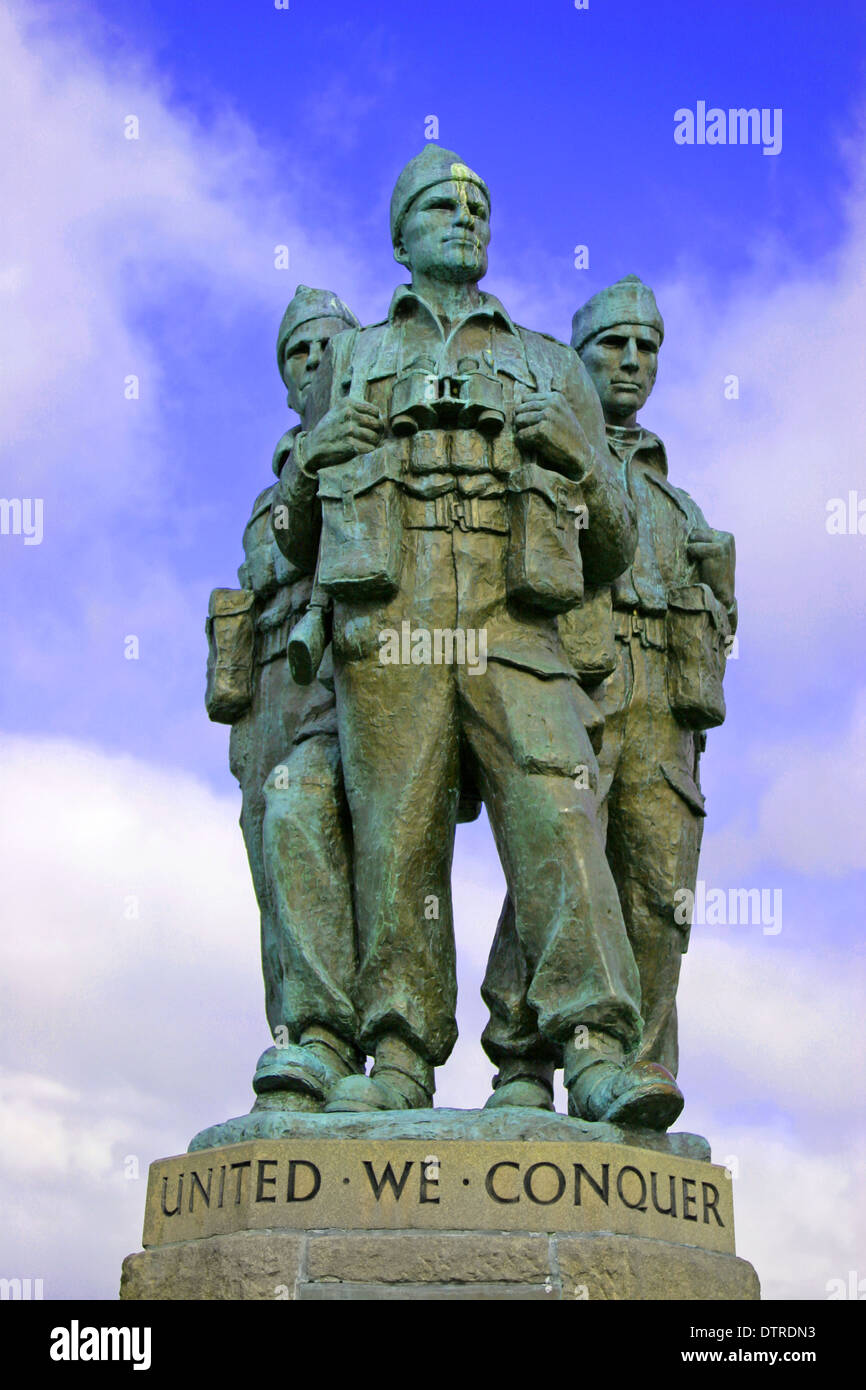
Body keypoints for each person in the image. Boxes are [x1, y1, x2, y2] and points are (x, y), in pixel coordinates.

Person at [273, 149, 683, 1129]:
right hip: (392, 623)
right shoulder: (355, 358)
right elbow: (299, 541)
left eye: (477, 206)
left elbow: (615, 543)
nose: (463, 218)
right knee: (395, 841)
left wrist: (581, 458)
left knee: (559, 819)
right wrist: (302, 479)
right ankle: (399, 1053)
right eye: (440, 205)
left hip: (516, 626)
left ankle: (589, 1046)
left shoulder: (546, 361)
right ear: (399, 232)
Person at [481, 275, 737, 1105]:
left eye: (647, 347)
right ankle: (523, 1056)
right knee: (558, 859)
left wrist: (721, 589)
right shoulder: (542, 449)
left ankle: (644, 1068)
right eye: (612, 345)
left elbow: (724, 625)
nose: (631, 360)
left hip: (665, 701)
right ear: (576, 356)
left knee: (663, 895)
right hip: (577, 679)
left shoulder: (678, 499)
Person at [208, 285, 365, 1109]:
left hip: (347, 673)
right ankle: (301, 1048)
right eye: (297, 352)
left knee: (317, 822)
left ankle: (338, 1032)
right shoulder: (271, 490)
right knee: (275, 862)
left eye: (326, 343)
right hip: (267, 685)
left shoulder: (370, 446)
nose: (314, 360)